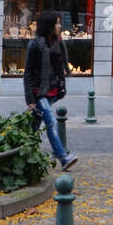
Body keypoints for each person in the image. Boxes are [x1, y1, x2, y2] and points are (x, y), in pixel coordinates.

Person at [24, 9, 78, 170]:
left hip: (53, 91)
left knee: (34, 126)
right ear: (49, 26)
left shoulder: (58, 42)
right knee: (50, 122)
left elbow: (58, 68)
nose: (60, 25)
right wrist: (30, 100)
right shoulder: (34, 45)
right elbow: (27, 74)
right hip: (39, 92)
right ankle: (63, 158)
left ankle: (21, 152)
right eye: (57, 23)